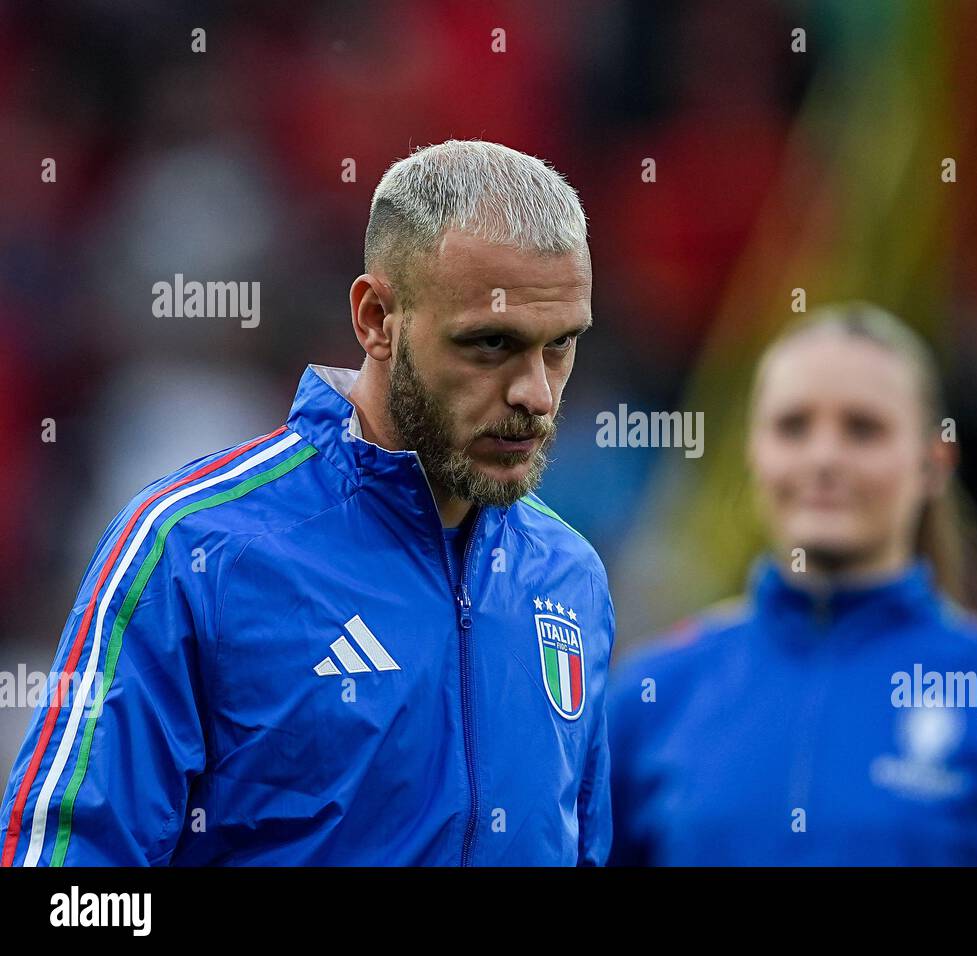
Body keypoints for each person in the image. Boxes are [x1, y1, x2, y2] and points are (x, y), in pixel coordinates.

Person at [0, 140, 614, 866]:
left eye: (560, 346)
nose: (536, 395)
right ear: (376, 319)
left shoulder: (571, 578)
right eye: (490, 344)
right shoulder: (191, 552)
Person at [608, 303, 977, 865]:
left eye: (863, 429)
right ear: (753, 452)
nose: (824, 457)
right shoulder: (652, 695)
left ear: (933, 462)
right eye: (793, 427)